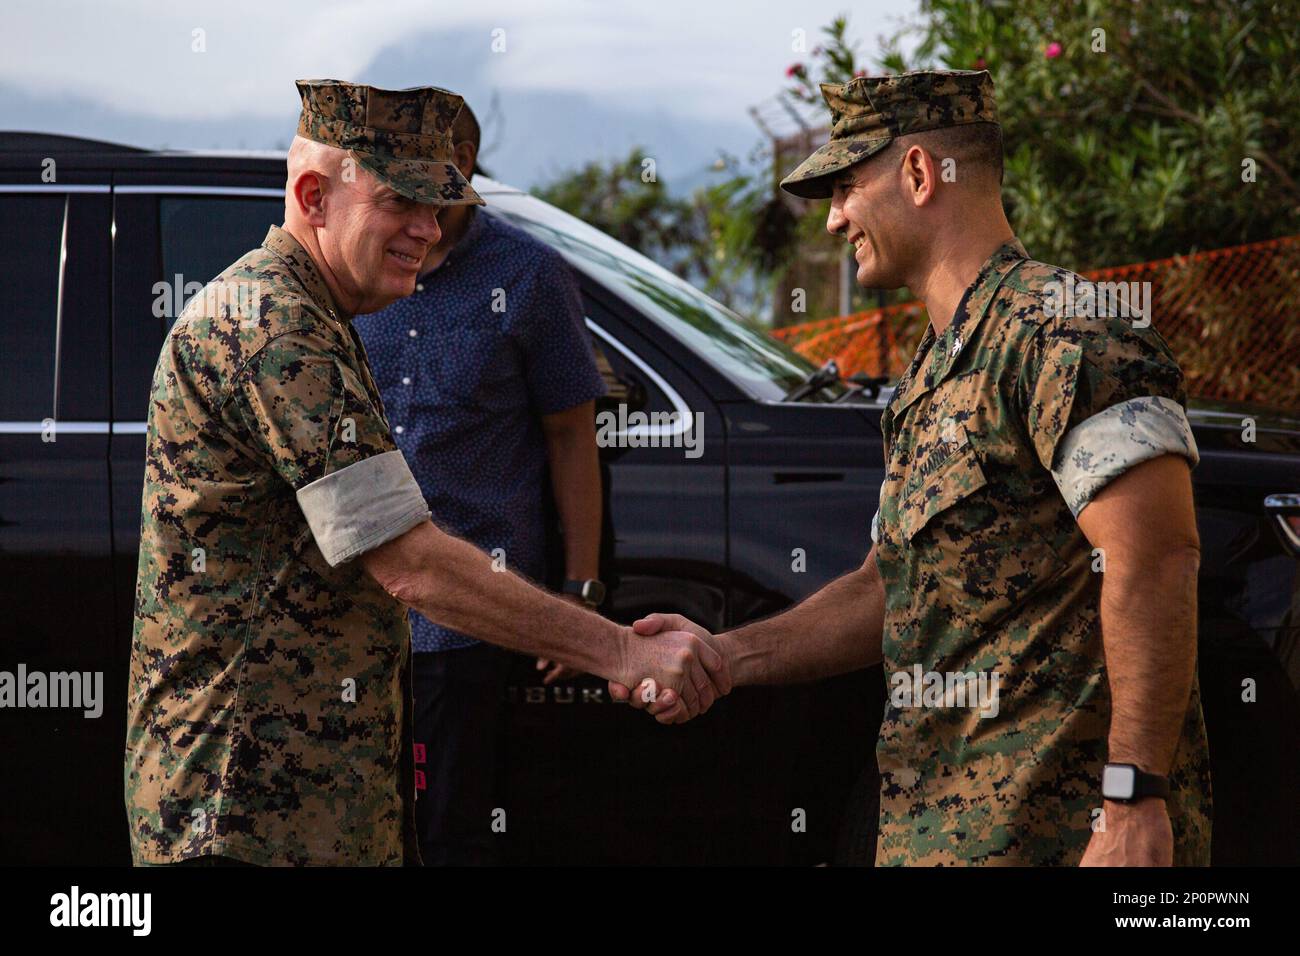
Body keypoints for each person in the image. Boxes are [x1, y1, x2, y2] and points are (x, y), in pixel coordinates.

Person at [126, 79, 726, 867]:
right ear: (314, 196)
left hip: (305, 807)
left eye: (437, 206)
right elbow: (410, 563)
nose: (426, 228)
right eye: (400, 203)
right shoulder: (273, 330)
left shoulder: (319, 317)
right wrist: (619, 652)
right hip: (246, 813)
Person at [620, 69, 1212, 867]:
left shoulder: (1068, 333)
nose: (833, 220)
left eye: (846, 187)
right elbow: (886, 586)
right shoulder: (933, 372)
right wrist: (727, 658)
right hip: (944, 835)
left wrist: (1134, 797)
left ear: (919, 174)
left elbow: (1156, 557)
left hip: (1065, 837)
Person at [353, 101, 606, 866]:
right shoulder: (352, 273)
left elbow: (571, 437)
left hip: (467, 616)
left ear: (463, 154)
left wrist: (580, 592)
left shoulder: (527, 276)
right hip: (351, 612)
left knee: (449, 834)